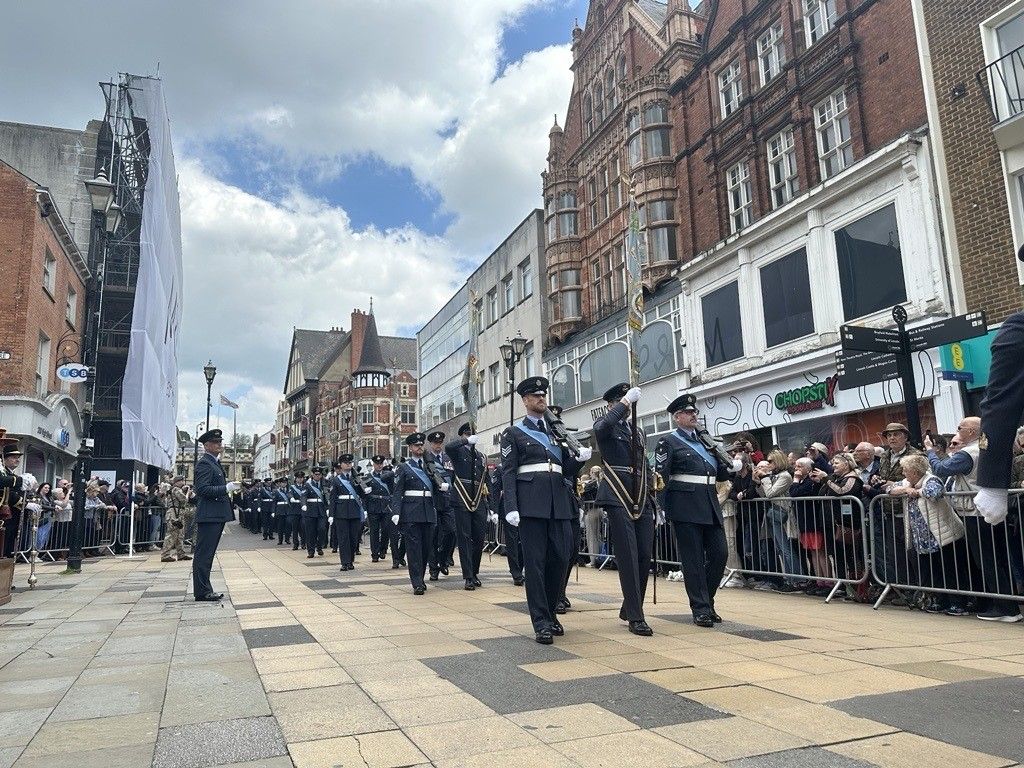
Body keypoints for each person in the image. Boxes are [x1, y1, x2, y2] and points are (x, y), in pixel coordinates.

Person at [928, 417, 1021, 622]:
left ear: (971, 431)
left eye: (960, 427)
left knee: (987, 560)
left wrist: (930, 452)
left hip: (975, 512)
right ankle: (1008, 604)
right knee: (1000, 558)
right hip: (994, 508)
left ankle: (1006, 608)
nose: (957, 431)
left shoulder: (968, 453)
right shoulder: (989, 449)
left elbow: (940, 469)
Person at [655, 393, 733, 628]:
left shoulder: (705, 441)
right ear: (677, 417)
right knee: (693, 560)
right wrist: (661, 506)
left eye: (694, 412)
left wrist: (728, 462)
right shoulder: (668, 442)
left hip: (709, 503)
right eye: (688, 412)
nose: (693, 415)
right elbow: (661, 477)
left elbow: (719, 474)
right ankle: (700, 608)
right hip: (684, 506)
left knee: (720, 554)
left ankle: (707, 600)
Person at [592, 383, 655, 636]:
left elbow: (644, 464)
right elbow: (602, 428)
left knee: (644, 555)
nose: (626, 405)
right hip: (617, 493)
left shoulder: (637, 431)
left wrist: (653, 498)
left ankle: (630, 607)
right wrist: (625, 402)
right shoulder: (605, 425)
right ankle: (636, 617)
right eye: (619, 401)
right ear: (611, 405)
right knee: (628, 555)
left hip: (639, 493)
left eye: (626, 399)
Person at [889, 453, 968, 615]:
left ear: (915, 471)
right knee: (932, 571)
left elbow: (934, 492)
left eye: (905, 470)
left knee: (949, 570)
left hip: (942, 535)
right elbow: (889, 489)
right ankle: (940, 600)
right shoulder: (907, 482)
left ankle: (957, 603)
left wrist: (916, 492)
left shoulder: (931, 479)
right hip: (922, 538)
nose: (903, 473)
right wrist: (906, 489)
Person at [391, 433, 441, 594]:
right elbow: (397, 492)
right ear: (410, 448)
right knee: (413, 549)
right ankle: (417, 582)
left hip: (428, 511)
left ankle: (421, 576)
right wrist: (396, 512)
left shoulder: (430, 466)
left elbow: (436, 488)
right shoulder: (404, 467)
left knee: (426, 548)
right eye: (416, 445)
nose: (420, 447)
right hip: (411, 512)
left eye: (421, 445)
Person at [192, 429, 238, 601]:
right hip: (209, 515)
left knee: (208, 555)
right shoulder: (205, 463)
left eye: (220, 442)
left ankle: (204, 589)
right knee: (204, 555)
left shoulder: (214, 462)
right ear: (206, 446)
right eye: (215, 442)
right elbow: (202, 489)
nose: (219, 445)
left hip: (215, 514)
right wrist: (226, 488)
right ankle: (202, 591)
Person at [446, 424, 488, 590]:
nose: (471, 436)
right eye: (467, 434)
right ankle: (468, 576)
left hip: (478, 499)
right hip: (462, 498)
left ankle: (475, 572)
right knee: (464, 538)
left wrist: (492, 507)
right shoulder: (458, 452)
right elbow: (448, 447)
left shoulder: (481, 457)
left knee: (479, 538)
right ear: (462, 435)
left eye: (472, 434)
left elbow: (486, 482)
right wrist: (465, 441)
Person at [425, 431, 456, 580]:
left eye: (439, 443)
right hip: (433, 500)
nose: (437, 445)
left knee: (451, 532)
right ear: (431, 444)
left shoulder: (448, 458)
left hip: (448, 500)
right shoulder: (426, 459)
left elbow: (454, 478)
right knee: (433, 535)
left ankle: (443, 559)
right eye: (435, 443)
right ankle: (433, 567)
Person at [330, 455, 366, 570]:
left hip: (355, 511)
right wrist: (331, 514)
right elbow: (333, 498)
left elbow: (363, 494)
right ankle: (345, 562)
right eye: (345, 463)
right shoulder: (336, 480)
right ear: (341, 465)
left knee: (353, 538)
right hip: (341, 512)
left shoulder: (356, 478)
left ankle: (350, 560)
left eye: (350, 462)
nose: (348, 464)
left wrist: (365, 489)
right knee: (343, 538)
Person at [366, 455, 394, 563]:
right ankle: (374, 553)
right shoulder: (368, 477)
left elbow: (393, 489)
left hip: (386, 506)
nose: (379, 465)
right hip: (373, 506)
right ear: (373, 464)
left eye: (381, 464)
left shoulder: (387, 476)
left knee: (386, 529)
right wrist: (365, 508)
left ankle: (383, 549)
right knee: (374, 531)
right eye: (377, 464)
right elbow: (364, 493)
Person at [161, 477, 191, 562]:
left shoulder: (173, 489)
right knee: (172, 534)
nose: (182, 482)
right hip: (174, 513)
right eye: (181, 481)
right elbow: (184, 499)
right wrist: (187, 493)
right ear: (176, 482)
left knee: (180, 535)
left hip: (177, 512)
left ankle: (181, 554)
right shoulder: (176, 489)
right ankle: (165, 555)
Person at [303, 466, 329, 558]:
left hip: (322, 511)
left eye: (319, 474)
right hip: (310, 510)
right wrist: (303, 504)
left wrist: (328, 508)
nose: (318, 476)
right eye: (316, 474)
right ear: (312, 475)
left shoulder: (325, 484)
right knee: (310, 532)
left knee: (322, 529)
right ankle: (311, 551)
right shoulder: (307, 484)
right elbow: (303, 495)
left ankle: (319, 546)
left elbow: (328, 497)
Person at [287, 471, 306, 550]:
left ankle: (303, 543)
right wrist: (291, 498)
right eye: (298, 478)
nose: (300, 479)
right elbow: (289, 494)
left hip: (303, 510)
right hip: (294, 510)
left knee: (303, 527)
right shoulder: (292, 487)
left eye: (301, 478)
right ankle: (295, 544)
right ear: (296, 479)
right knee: (295, 528)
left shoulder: (305, 486)